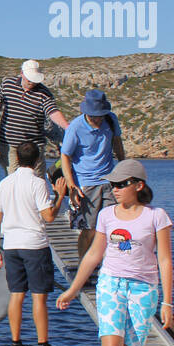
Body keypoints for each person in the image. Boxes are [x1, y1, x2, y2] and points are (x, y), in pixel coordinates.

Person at [57, 159, 174, 346]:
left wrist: (167, 303)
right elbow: (95, 255)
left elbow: (165, 260)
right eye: (113, 185)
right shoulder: (107, 215)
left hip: (144, 289)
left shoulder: (156, 216)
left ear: (138, 185)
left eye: (121, 184)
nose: (115, 189)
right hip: (111, 285)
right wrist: (73, 289)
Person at [0, 142, 66, 346]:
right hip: (34, 245)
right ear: (37, 159)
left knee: (16, 295)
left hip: (11, 245)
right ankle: (43, 345)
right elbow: (49, 216)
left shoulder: (5, 183)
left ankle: (16, 343)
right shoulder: (38, 183)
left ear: (17, 158)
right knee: (39, 297)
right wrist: (59, 195)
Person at [60, 89, 126, 259]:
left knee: (112, 226)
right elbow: (65, 155)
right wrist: (71, 185)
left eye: (100, 115)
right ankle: (84, 266)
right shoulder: (75, 128)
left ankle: (109, 265)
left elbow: (117, 142)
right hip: (87, 183)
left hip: (109, 181)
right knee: (89, 229)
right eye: (93, 116)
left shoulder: (111, 120)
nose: (97, 119)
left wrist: (123, 168)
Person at [0, 59, 69, 176]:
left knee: (37, 179)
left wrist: (67, 127)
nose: (32, 82)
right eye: (29, 79)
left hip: (34, 146)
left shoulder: (44, 93)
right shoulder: (7, 84)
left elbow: (53, 112)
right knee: (12, 179)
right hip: (10, 144)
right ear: (22, 74)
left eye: (34, 80)